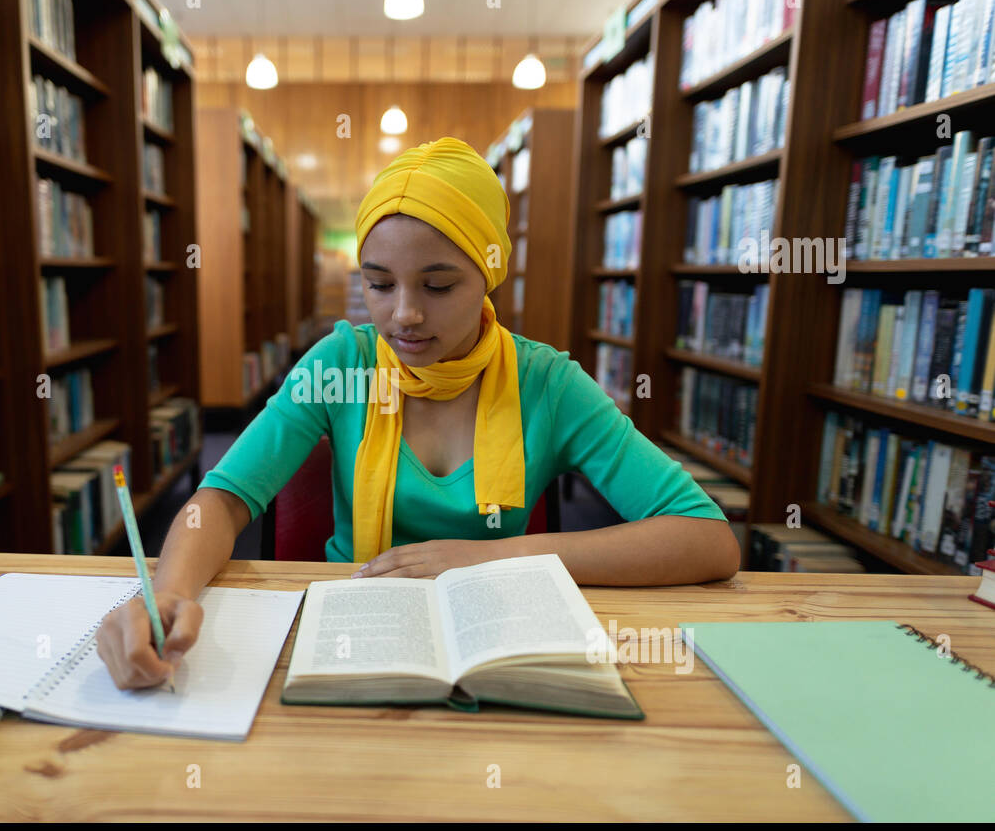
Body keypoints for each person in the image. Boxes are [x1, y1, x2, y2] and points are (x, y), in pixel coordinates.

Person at [97, 136, 739, 690]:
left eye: (437, 286)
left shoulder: (547, 383)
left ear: (488, 276)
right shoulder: (342, 364)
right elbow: (225, 496)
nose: (403, 314)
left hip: (496, 638)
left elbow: (705, 539)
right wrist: (172, 589)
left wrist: (487, 558)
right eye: (378, 284)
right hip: (348, 634)